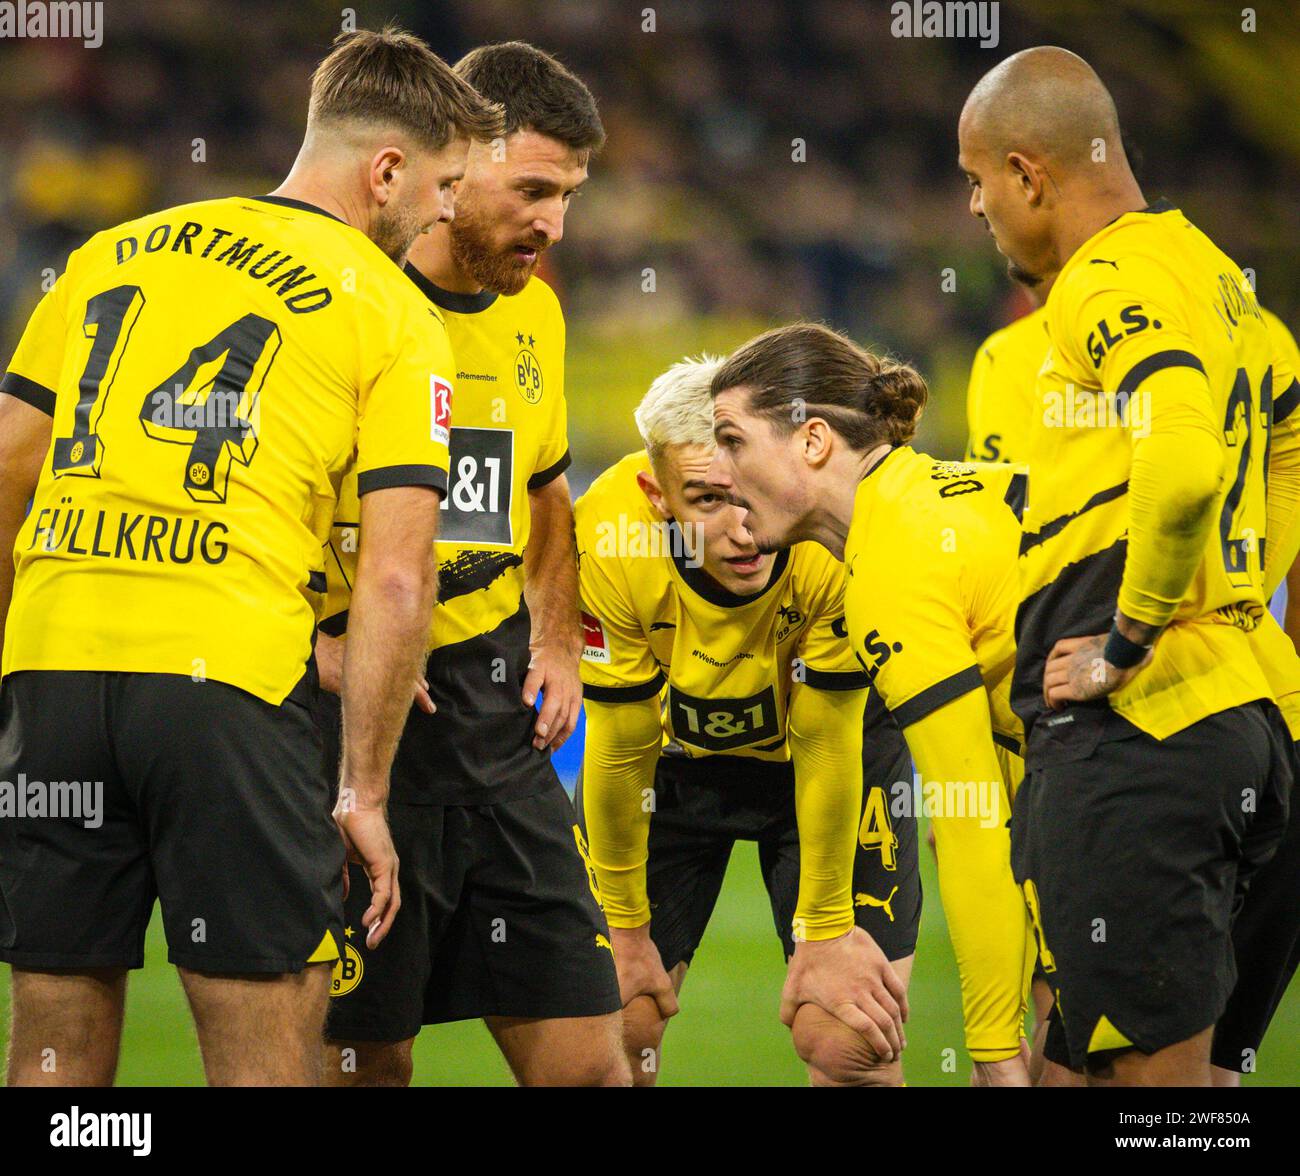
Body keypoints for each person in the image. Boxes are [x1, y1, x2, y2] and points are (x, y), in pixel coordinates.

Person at [0, 27, 500, 1086]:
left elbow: (7, 466)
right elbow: (399, 576)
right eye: (447, 183)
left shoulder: (113, 248)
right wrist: (363, 792)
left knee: (55, 1025)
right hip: (220, 681)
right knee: (266, 1044)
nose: (449, 209)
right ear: (386, 170)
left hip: (51, 665)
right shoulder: (392, 310)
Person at [957, 45, 1291, 1085]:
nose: (975, 210)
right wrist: (1231, 600)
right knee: (1136, 1081)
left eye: (976, 181)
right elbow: (1282, 450)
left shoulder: (1104, 277)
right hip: (1242, 714)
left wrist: (1129, 637)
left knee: (1151, 1102)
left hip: (1143, 734)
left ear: (1028, 172)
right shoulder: (1221, 285)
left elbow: (1184, 458)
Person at [315, 42, 629, 1088]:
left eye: (570, 196)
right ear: (451, 166)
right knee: (370, 1064)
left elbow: (544, 491)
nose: (553, 223)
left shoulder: (534, 310)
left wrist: (557, 638)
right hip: (361, 716)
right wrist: (302, 636)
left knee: (592, 1060)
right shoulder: (348, 302)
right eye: (532, 189)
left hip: (494, 719)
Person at [575, 355, 919, 1086]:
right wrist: (627, 930)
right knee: (613, 1022)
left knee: (847, 1039)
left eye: (751, 493)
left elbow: (828, 739)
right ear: (655, 494)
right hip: (671, 769)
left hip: (831, 757)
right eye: (705, 499)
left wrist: (826, 934)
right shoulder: (610, 537)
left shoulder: (834, 537)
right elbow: (617, 748)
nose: (743, 531)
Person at [706, 324, 1036, 1085]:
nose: (720, 474)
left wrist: (992, 1055)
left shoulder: (891, 559)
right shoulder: (957, 490)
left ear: (814, 440)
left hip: (1162, 766)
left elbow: (969, 814)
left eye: (732, 440)